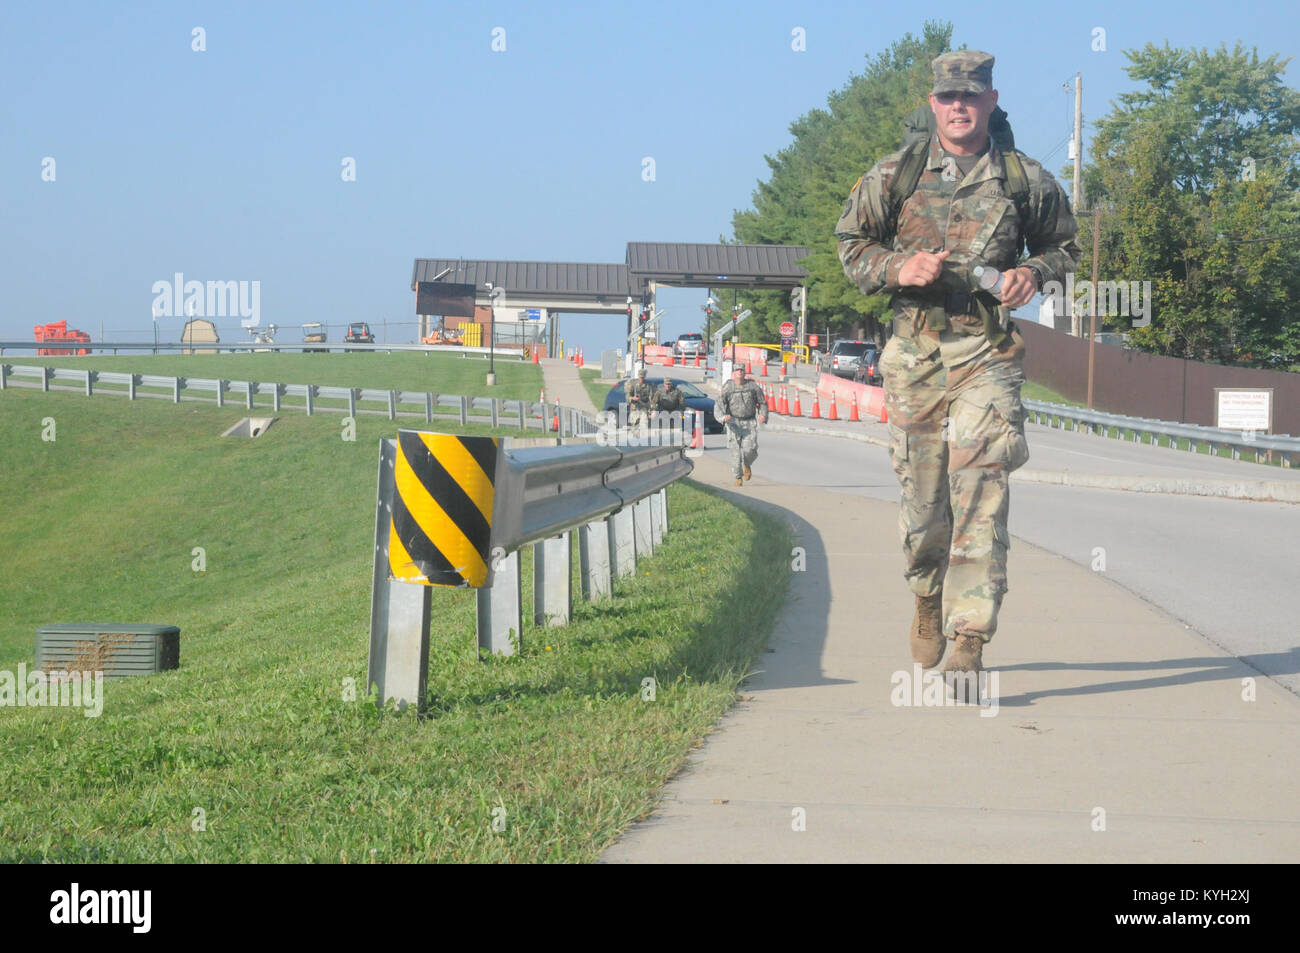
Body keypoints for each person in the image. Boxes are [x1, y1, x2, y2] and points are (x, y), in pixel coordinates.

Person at [834, 50, 1080, 681]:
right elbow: (851, 243)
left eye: (972, 96)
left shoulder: (1024, 179)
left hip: (987, 352)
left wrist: (1034, 272)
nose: (960, 107)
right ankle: (925, 595)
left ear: (992, 100)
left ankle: (969, 635)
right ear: (934, 103)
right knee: (924, 502)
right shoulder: (896, 173)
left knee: (981, 486)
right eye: (949, 98)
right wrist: (896, 267)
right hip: (914, 352)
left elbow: (1065, 245)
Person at [716, 364, 769, 486]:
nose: (739, 372)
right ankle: (738, 477)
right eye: (737, 370)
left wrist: (763, 415)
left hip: (749, 423)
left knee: (751, 449)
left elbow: (762, 403)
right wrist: (723, 418)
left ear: (745, 373)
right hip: (733, 422)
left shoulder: (752, 387)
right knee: (735, 451)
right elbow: (718, 404)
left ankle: (747, 464)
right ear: (733, 373)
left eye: (741, 370)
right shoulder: (728, 387)